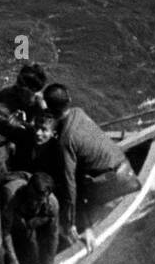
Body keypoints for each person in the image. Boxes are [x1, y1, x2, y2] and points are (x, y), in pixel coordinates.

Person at [43, 83, 139, 248]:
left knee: (72, 190)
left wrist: (72, 221)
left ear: (50, 110)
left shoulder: (65, 141)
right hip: (127, 170)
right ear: (70, 100)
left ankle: (87, 229)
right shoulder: (79, 111)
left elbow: (69, 185)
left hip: (112, 183)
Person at [1, 173, 59, 264]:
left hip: (29, 224)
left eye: (38, 200)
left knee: (32, 245)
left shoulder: (52, 203)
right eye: (31, 197)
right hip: (10, 218)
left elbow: (53, 235)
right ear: (27, 189)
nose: (33, 203)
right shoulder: (11, 195)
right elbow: (4, 233)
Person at [0, 63, 48, 142]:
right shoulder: (5, 92)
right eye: (18, 80)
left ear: (34, 90)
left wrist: (23, 124)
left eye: (21, 84)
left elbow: (43, 135)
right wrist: (3, 119)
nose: (16, 85)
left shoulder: (41, 107)